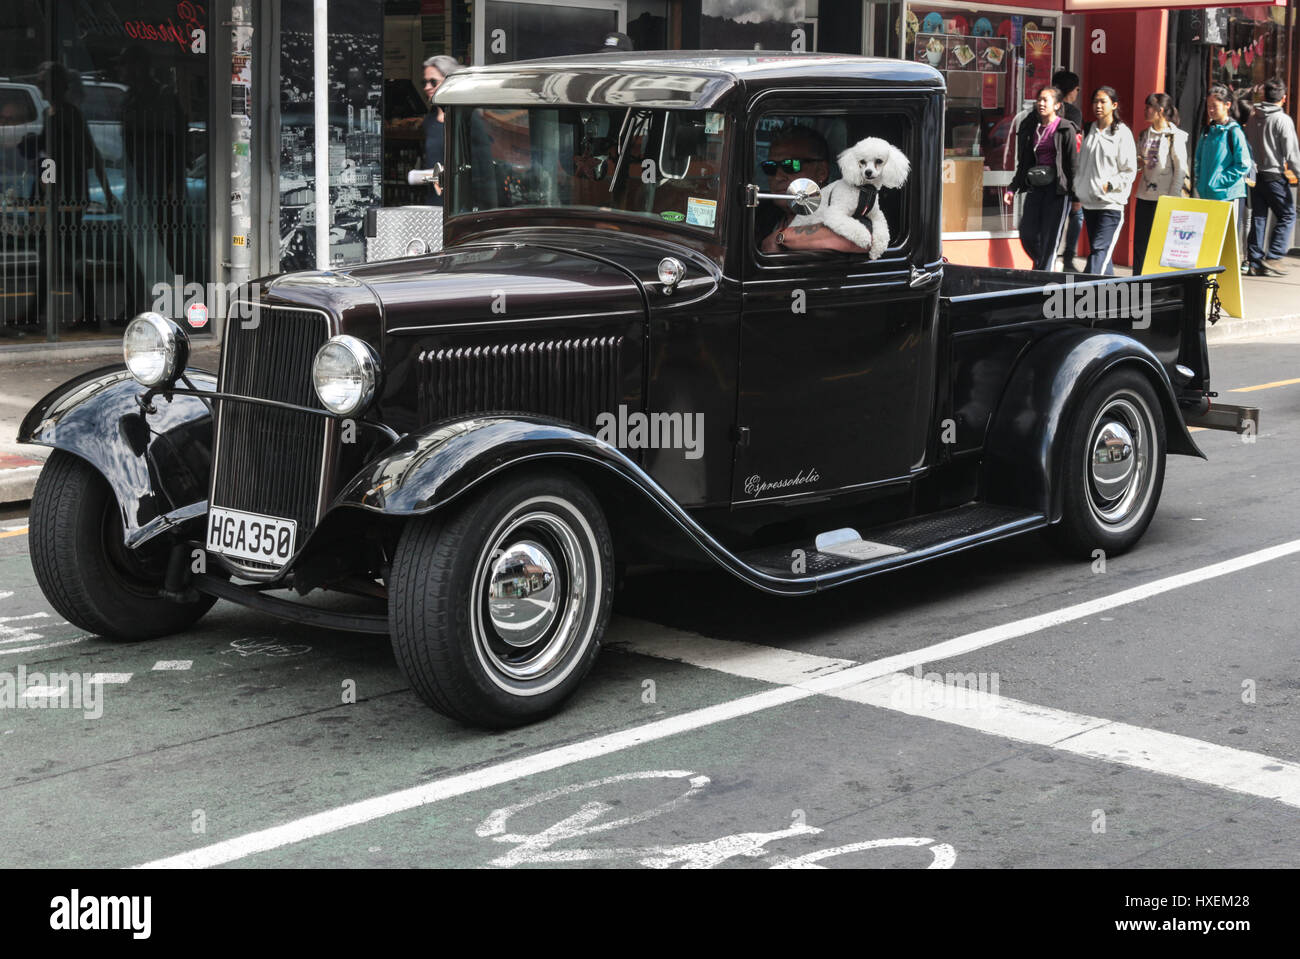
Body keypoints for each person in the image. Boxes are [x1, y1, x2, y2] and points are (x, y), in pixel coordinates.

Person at [756, 125, 873, 253]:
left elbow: (864, 239)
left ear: (821, 172)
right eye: (770, 167)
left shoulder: (842, 207)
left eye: (790, 165)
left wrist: (782, 237)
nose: (778, 177)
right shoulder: (764, 215)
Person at [1004, 85, 1078, 271]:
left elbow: (1073, 165)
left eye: (1046, 100)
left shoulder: (1065, 129)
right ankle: (1043, 265)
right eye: (1039, 100)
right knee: (1027, 233)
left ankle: (1043, 275)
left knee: (1050, 238)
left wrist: (1076, 197)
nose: (1041, 103)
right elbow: (1024, 162)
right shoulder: (1031, 128)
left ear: (1057, 105)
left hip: (1058, 191)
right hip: (1036, 188)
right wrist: (1012, 188)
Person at [1075, 86, 1137, 275]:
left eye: (1103, 102)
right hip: (1090, 203)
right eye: (1095, 101)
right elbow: (1081, 165)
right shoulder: (1089, 130)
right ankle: (1111, 299)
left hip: (1111, 204)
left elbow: (1129, 170)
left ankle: (1086, 294)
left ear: (1114, 105)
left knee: (1099, 252)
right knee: (1101, 254)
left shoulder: (1122, 133)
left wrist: (1110, 185)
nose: (1098, 106)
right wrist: (1078, 190)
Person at [1244, 79, 1300, 277]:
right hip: (1274, 174)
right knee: (1287, 214)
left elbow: (1248, 147)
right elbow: (1292, 154)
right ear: (1283, 99)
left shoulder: (1252, 117)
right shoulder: (1282, 120)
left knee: (1259, 216)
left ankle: (1255, 260)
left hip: (1255, 174)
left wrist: (1249, 176)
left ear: (1265, 96)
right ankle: (1274, 256)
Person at [1131, 93, 1189, 275]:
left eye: (1149, 107)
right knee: (1140, 244)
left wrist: (1172, 199)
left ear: (1160, 110)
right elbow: (1140, 163)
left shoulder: (1174, 136)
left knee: (1161, 245)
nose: (1145, 111)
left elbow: (1180, 169)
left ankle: (1158, 284)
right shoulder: (1144, 134)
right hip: (1144, 195)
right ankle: (1138, 282)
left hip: (1164, 198)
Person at [1053, 69, 1086, 270]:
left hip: (1054, 174)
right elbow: (1076, 147)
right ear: (1072, 90)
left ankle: (1053, 255)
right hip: (1069, 173)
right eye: (1077, 89)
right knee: (1077, 214)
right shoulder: (1073, 112)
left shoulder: (1049, 108)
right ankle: (1067, 258)